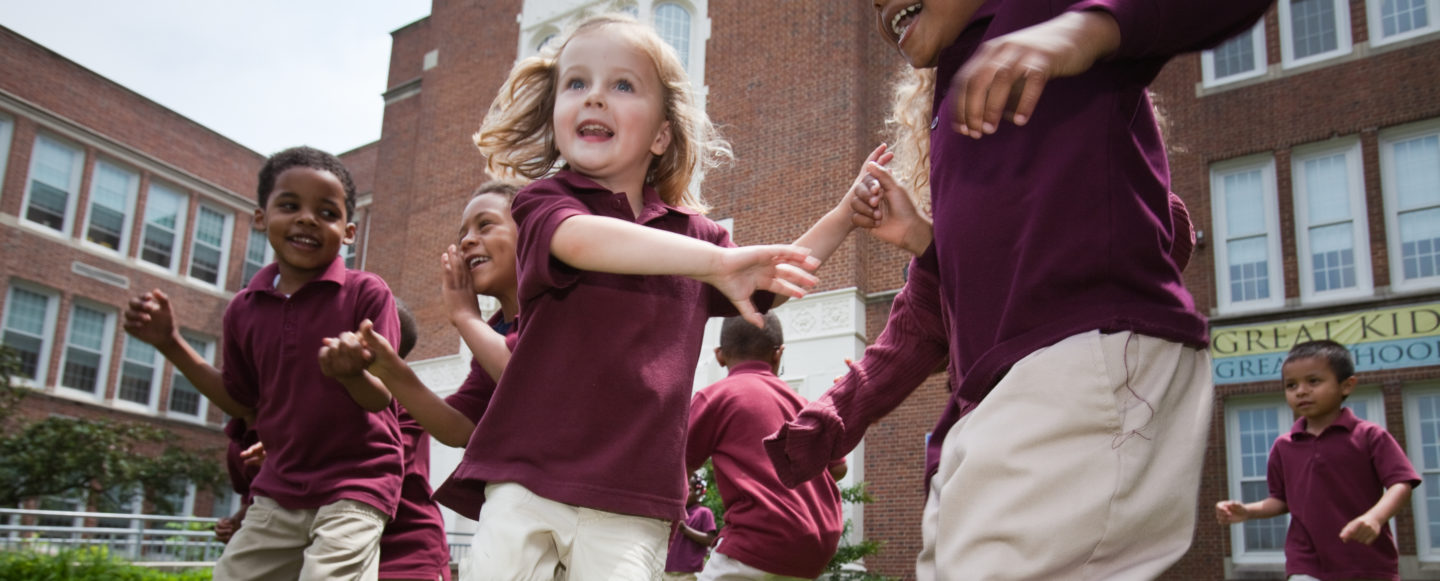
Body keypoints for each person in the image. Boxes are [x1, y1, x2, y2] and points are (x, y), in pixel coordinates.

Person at [766, 0, 1273, 578]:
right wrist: (826, 422)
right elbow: (922, 323)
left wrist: (1085, 28)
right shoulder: (959, 101)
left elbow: (1168, 228)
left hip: (1080, 365)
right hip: (995, 402)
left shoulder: (1045, 16)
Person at [429, 12, 874, 579]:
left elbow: (766, 278)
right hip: (529, 476)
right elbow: (581, 241)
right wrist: (718, 264)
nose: (594, 98)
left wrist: (843, 216)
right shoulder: (544, 203)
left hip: (633, 497)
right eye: (576, 84)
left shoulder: (697, 234)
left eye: (621, 85)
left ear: (662, 133)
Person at [127, 146, 404, 580]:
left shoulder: (366, 293)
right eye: (290, 206)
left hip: (357, 480)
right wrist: (169, 343)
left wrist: (352, 374)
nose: (308, 219)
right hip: (281, 483)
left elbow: (382, 397)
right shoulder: (243, 309)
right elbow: (240, 401)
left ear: (348, 231)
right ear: (261, 218)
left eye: (326, 212)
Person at [1215, 340, 1421, 581]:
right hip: (1307, 563)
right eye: (1291, 385)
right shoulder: (1284, 446)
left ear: (1347, 385)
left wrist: (1375, 518)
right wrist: (1247, 511)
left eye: (1313, 381)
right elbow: (1281, 500)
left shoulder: (1369, 436)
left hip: (1367, 562)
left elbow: (1401, 484)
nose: (1301, 390)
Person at [687, 313, 845, 581]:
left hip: (758, 539)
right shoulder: (803, 404)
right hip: (817, 545)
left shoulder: (716, 397)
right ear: (778, 354)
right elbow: (838, 469)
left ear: (720, 356)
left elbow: (674, 465)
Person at [664, 474, 717, 581]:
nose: (684, 493)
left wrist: (685, 529)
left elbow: (711, 539)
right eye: (682, 488)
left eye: (690, 490)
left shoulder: (703, 513)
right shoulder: (676, 513)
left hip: (690, 573)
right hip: (666, 571)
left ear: (699, 494)